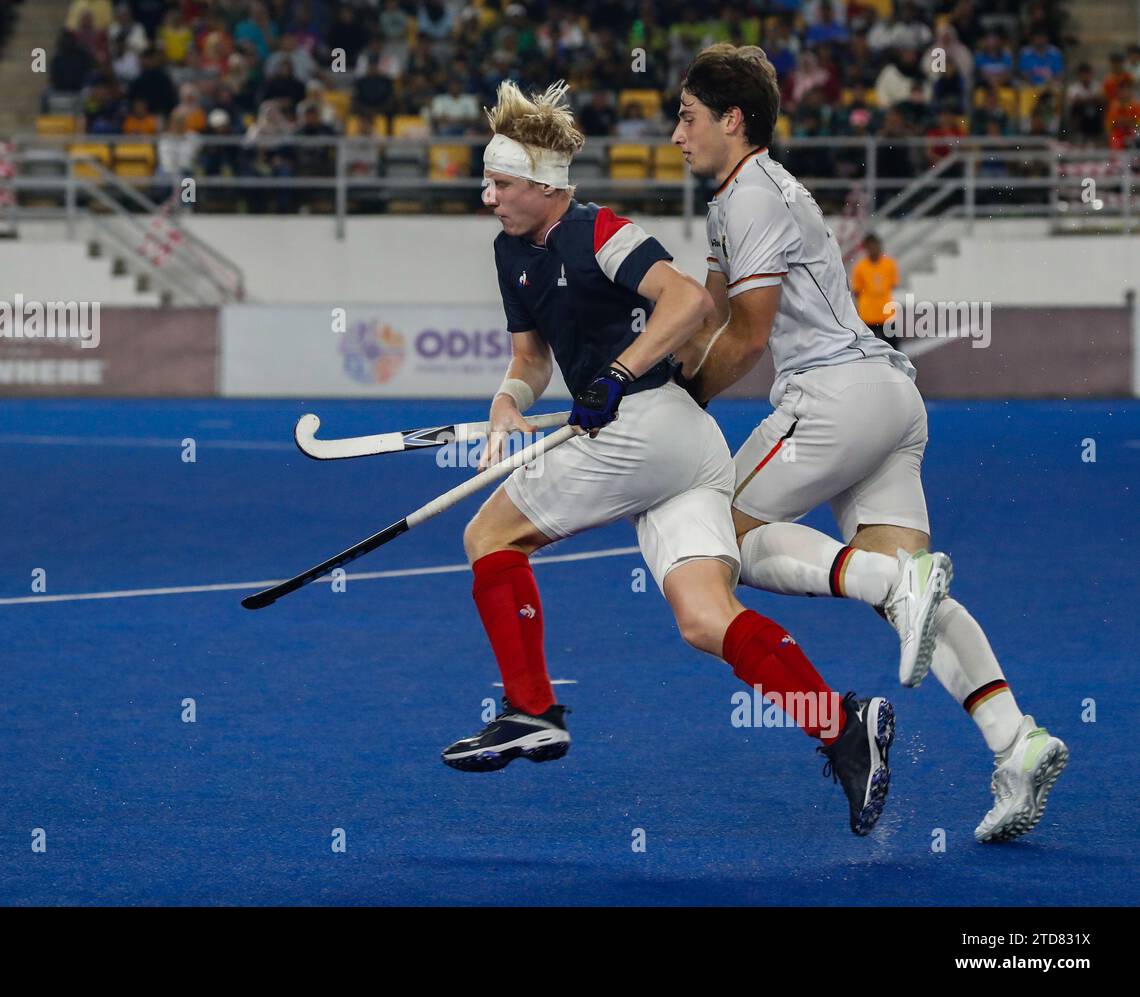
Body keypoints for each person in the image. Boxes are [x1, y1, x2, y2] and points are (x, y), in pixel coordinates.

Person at [445, 80, 897, 837]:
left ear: (544, 185)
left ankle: (530, 709)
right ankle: (843, 725)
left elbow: (687, 301)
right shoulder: (509, 255)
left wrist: (619, 372)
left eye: (501, 183)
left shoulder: (599, 231)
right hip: (683, 449)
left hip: (647, 424)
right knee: (703, 616)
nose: (488, 195)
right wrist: (508, 399)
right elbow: (530, 358)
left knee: (488, 537)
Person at [671, 44, 1067, 842]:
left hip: (831, 399)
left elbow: (744, 340)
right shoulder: (740, 198)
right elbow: (706, 318)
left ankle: (887, 576)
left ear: (732, 120)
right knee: (920, 602)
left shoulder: (750, 196)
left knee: (721, 538)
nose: (676, 133)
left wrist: (685, 400)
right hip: (890, 398)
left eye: (687, 116)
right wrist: (647, 377)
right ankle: (1015, 741)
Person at [849, 233, 899, 347]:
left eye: (875, 245)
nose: (873, 249)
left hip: (886, 313)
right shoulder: (860, 267)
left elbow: (892, 284)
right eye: (870, 246)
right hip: (868, 314)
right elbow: (857, 291)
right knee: (868, 348)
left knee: (893, 347)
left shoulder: (890, 264)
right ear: (866, 248)